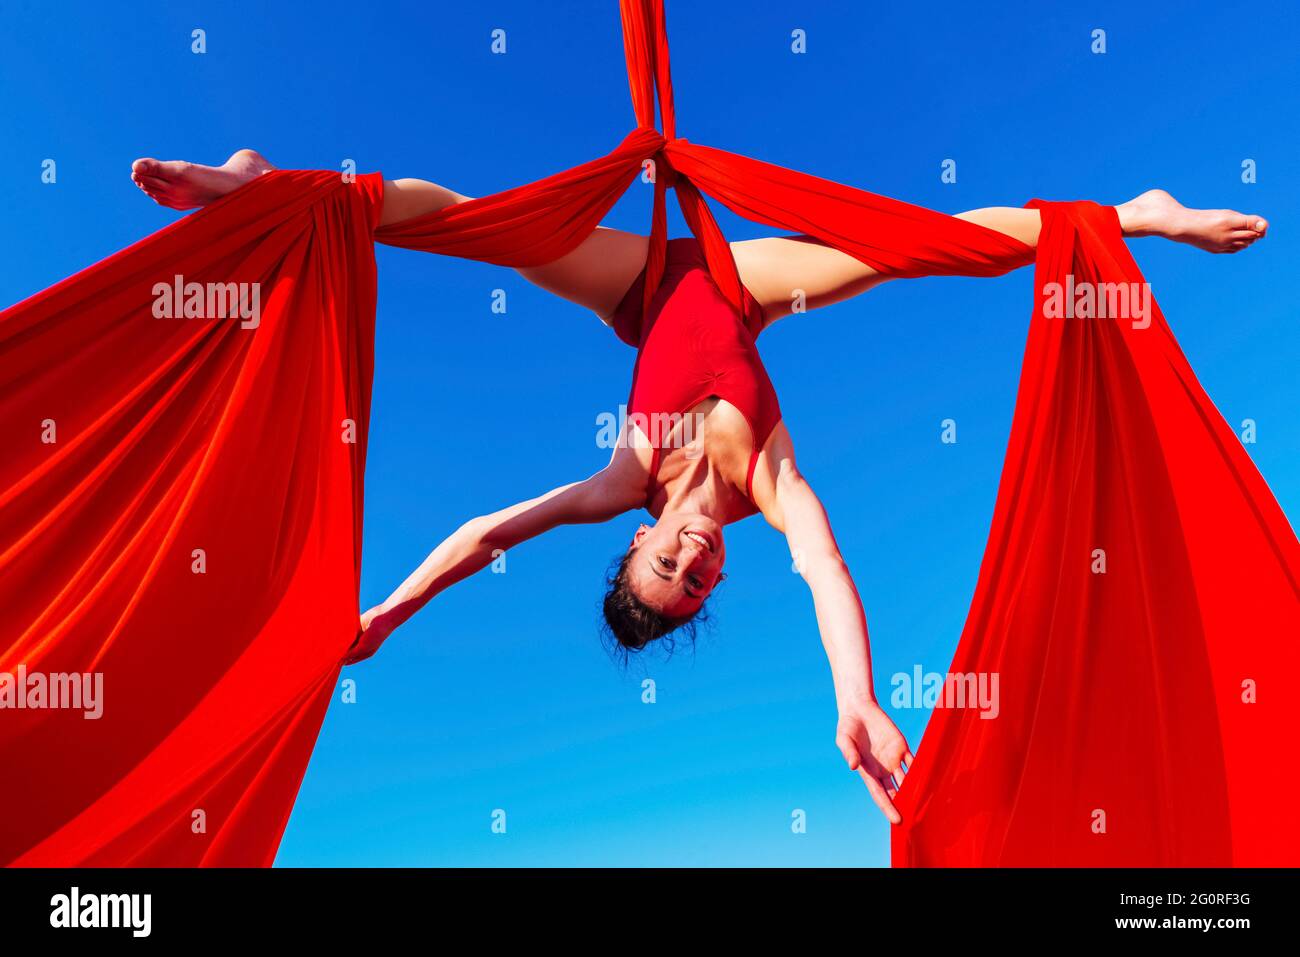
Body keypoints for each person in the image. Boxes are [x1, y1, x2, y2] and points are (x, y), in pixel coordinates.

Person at [130, 148, 1268, 823]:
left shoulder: (623, 477)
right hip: (739, 283)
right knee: (918, 247)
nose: (691, 559)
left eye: (662, 567)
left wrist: (387, 611)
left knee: (476, 227)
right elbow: (825, 570)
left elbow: (487, 532)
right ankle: (1136, 217)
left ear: (630, 550)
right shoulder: (769, 487)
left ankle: (262, 182)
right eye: (700, 581)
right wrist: (855, 700)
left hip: (638, 287)